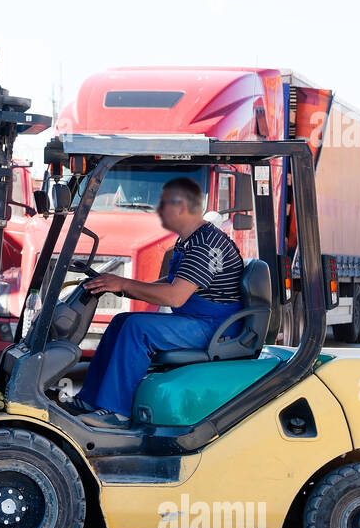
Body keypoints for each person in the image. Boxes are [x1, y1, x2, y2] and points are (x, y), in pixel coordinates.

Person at [65, 177, 244, 429]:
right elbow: (173, 282)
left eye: (163, 205)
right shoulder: (188, 240)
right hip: (196, 320)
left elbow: (175, 296)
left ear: (181, 207)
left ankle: (117, 413)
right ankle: (91, 400)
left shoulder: (206, 243)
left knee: (137, 328)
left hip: (214, 327)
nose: (158, 211)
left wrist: (124, 285)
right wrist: (120, 285)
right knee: (121, 321)